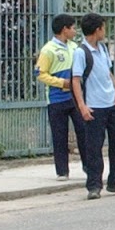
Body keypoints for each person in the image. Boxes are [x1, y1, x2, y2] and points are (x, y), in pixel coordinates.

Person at [70, 13, 115, 200]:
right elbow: (76, 80)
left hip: (110, 105)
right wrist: (82, 106)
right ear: (97, 29)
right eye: (103, 27)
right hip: (94, 107)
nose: (104, 31)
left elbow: (108, 72)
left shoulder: (103, 49)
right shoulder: (81, 52)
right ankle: (94, 185)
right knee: (94, 147)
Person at [34, 14, 85, 180]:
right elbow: (41, 74)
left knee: (83, 131)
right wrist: (61, 82)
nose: (75, 31)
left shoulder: (74, 48)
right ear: (65, 29)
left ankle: (89, 165)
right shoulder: (48, 50)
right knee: (59, 135)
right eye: (72, 28)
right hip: (56, 99)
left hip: (76, 98)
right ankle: (62, 171)